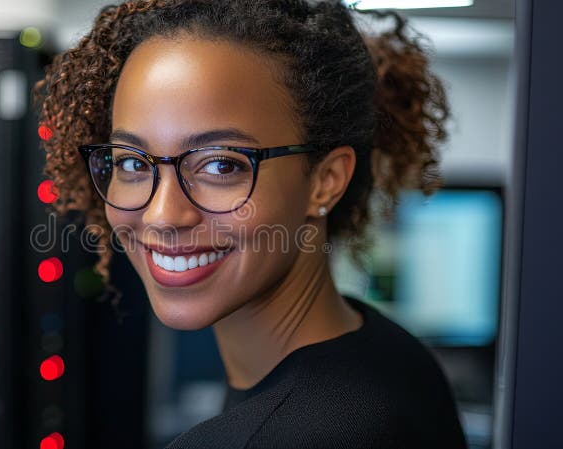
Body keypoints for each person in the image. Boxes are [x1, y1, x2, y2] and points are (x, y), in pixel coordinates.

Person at [34, 0, 467, 447]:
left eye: (221, 166)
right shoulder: (390, 355)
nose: (162, 215)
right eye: (130, 162)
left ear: (325, 180)